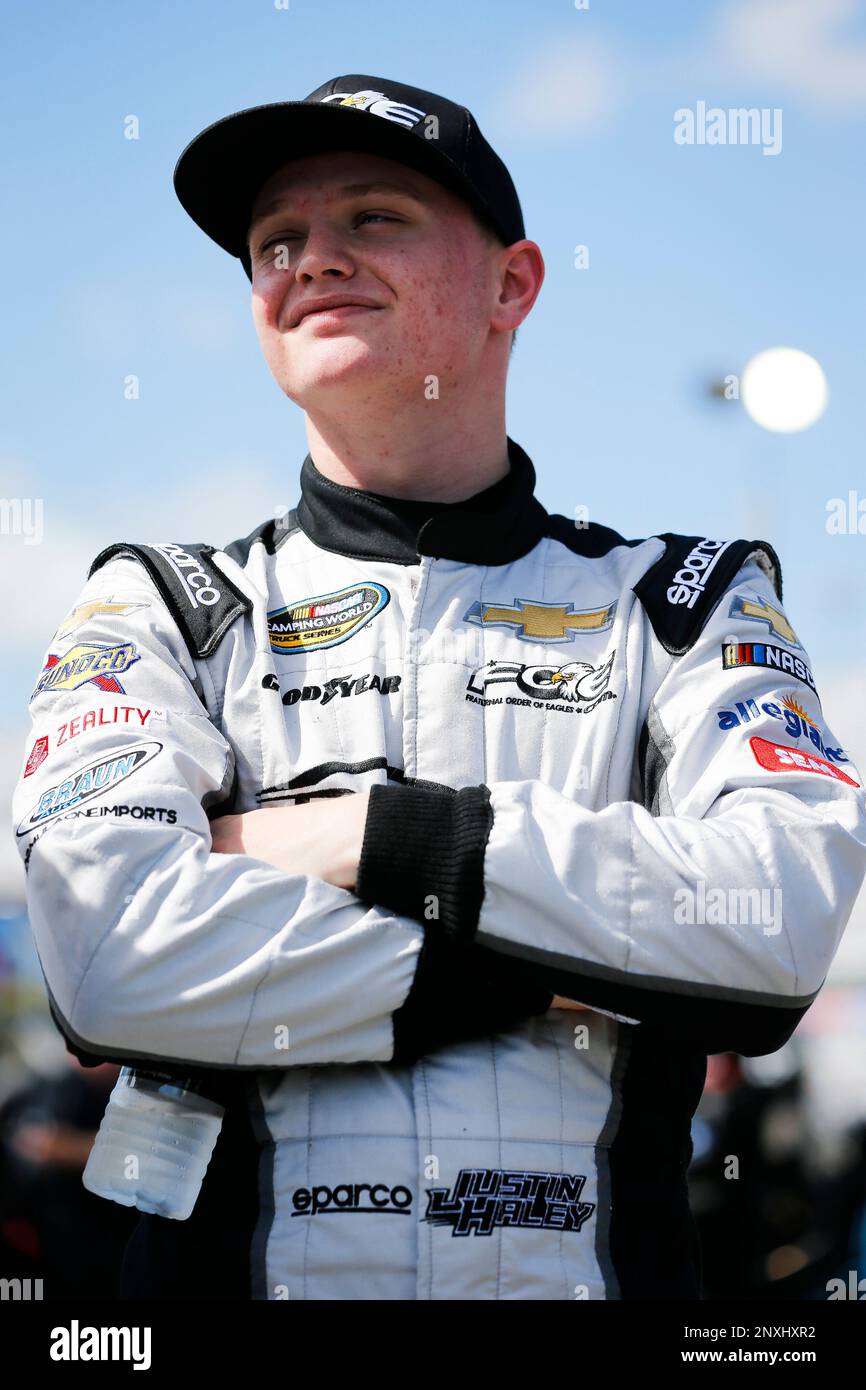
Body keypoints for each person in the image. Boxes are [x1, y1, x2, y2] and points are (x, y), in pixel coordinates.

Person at [12, 73, 866, 1301]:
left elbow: (774, 918)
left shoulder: (684, 600)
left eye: (374, 217)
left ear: (511, 285)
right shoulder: (160, 604)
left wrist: (374, 836)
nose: (311, 258)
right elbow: (109, 954)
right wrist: (541, 960)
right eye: (275, 240)